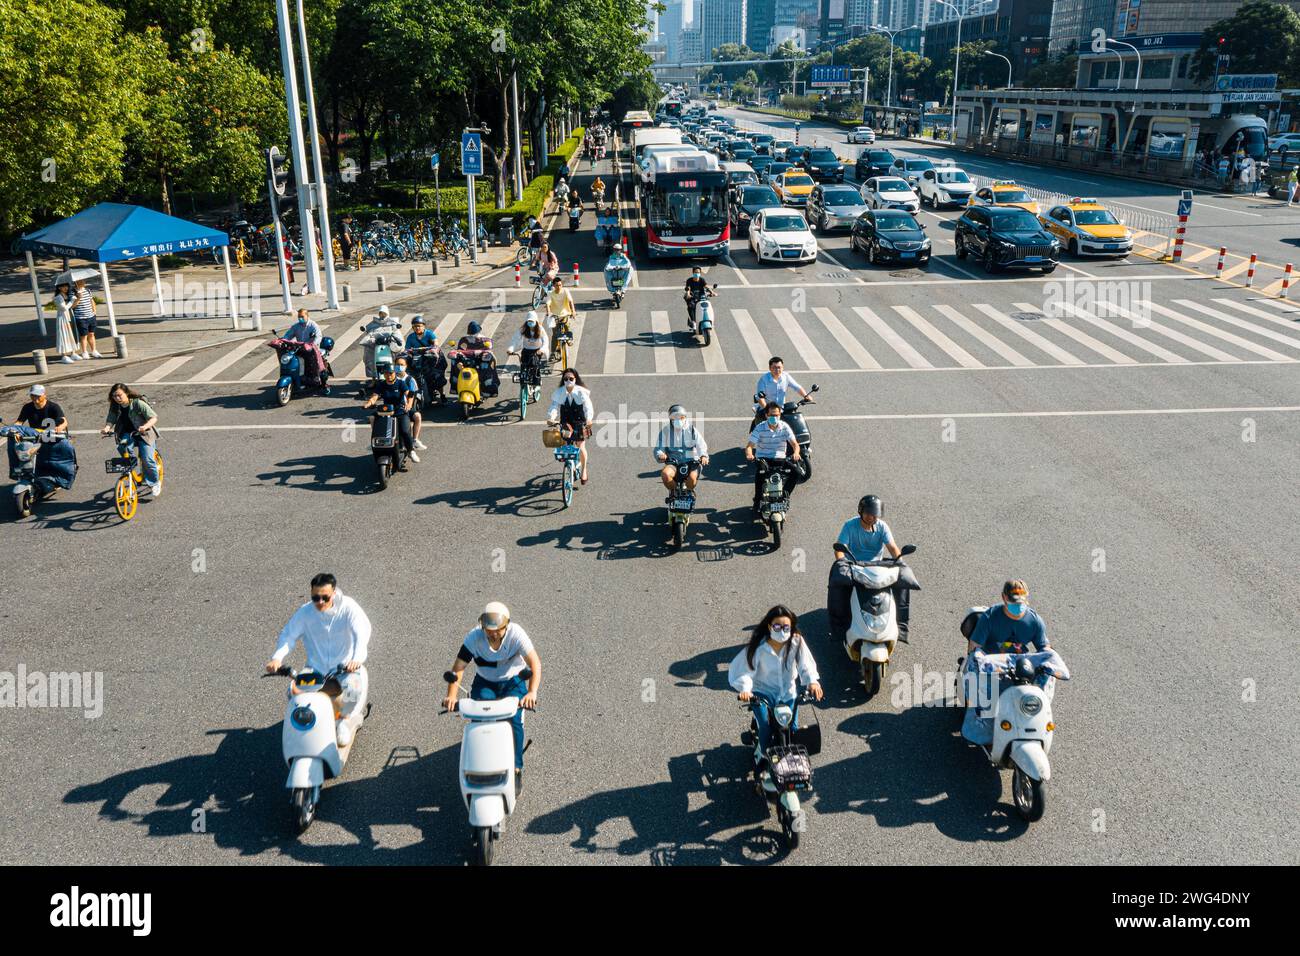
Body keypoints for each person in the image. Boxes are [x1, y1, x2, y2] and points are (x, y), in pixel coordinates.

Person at [442, 602, 541, 794]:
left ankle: (516, 767)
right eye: (488, 630)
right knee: (478, 717)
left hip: (514, 680)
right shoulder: (474, 637)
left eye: (497, 630)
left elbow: (535, 663)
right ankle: (479, 763)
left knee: (514, 720)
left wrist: (532, 692)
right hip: (485, 682)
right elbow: (459, 668)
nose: (492, 634)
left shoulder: (517, 634)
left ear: (506, 626)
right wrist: (451, 697)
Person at [266, 573, 372, 748]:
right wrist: (277, 658)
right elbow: (288, 635)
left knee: (354, 688)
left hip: (344, 667)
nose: (320, 602)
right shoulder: (305, 612)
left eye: (325, 597)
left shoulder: (348, 608)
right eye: (315, 597)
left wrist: (356, 659)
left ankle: (344, 721)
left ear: (334, 592)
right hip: (316, 668)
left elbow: (361, 632)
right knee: (292, 692)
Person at [728, 605, 823, 765]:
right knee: (765, 727)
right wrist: (746, 690)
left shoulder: (796, 641)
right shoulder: (759, 647)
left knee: (792, 730)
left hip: (788, 693)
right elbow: (745, 670)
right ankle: (763, 758)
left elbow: (805, 664)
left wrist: (813, 682)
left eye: (786, 627)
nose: (782, 631)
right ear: (769, 626)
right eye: (777, 627)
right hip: (762, 694)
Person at [832, 495, 910, 643]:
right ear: (861, 512)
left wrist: (900, 561)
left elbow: (892, 547)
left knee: (902, 584)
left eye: (875, 515)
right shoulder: (849, 525)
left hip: (876, 568)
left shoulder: (882, 526)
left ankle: (900, 624)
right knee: (839, 590)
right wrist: (842, 563)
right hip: (854, 566)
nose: (871, 518)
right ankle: (839, 625)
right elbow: (839, 548)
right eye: (868, 514)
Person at [99, 383, 161, 497]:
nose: (117, 398)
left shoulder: (138, 403)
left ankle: (154, 482)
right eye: (114, 396)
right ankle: (131, 472)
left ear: (126, 393)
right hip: (128, 433)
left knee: (147, 458)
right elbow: (111, 418)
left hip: (144, 433)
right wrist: (107, 428)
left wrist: (145, 426)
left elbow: (153, 417)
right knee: (123, 448)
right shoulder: (115, 406)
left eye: (119, 395)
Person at [967, 580, 1051, 658]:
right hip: (990, 663)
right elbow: (974, 648)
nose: (1017, 605)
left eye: (1020, 602)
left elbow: (1044, 649)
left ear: (1027, 597)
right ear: (1004, 597)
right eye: (1013, 601)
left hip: (1019, 665)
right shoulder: (989, 618)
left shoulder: (1035, 622)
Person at [744, 400, 801, 515]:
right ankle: (758, 500)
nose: (774, 417)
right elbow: (749, 446)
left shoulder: (785, 427)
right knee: (760, 475)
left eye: (776, 415)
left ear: (780, 415)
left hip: (780, 458)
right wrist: (749, 454)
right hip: (763, 458)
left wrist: (796, 453)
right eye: (771, 415)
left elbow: (795, 444)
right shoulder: (760, 428)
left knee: (797, 472)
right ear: (766, 415)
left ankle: (785, 495)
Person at [362, 363, 416, 468]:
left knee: (405, 431)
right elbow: (375, 396)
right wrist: (368, 404)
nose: (388, 375)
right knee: (373, 418)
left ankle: (410, 451)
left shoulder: (401, 383)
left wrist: (409, 404)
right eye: (386, 373)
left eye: (390, 373)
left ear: (394, 373)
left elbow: (408, 394)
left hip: (400, 411)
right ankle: (377, 441)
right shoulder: (382, 384)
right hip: (386, 412)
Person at [546, 368, 594, 483]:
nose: (568, 380)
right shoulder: (560, 392)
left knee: (581, 446)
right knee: (564, 446)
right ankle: (569, 464)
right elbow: (554, 406)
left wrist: (589, 419)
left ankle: (584, 470)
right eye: (566, 378)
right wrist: (551, 417)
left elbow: (588, 406)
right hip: (566, 423)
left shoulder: (581, 392)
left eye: (571, 378)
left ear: (575, 379)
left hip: (579, 423)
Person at [653, 404, 709, 493]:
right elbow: (659, 448)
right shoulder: (665, 431)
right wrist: (660, 454)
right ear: (671, 419)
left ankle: (689, 491)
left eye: (681, 418)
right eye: (675, 418)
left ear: (685, 418)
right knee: (665, 475)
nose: (678, 420)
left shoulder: (692, 430)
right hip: (674, 462)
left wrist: (703, 455)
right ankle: (674, 492)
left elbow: (700, 444)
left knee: (692, 478)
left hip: (691, 461)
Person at [751, 356, 813, 430]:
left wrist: (806, 396)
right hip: (766, 409)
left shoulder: (786, 376)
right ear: (770, 368)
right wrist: (767, 410)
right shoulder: (764, 379)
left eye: (779, 367)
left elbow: (797, 387)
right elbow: (760, 397)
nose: (777, 370)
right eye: (774, 367)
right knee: (764, 430)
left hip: (781, 408)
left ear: (782, 368)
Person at [507, 312, 549, 399]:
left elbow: (546, 341)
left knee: (534, 366)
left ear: (536, 321)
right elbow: (515, 340)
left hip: (537, 351)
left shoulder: (540, 329)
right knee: (523, 367)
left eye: (532, 321)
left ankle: (536, 383)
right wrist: (510, 349)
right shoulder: (523, 329)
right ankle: (523, 386)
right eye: (528, 321)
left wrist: (542, 350)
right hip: (526, 351)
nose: (530, 323)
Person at [360, 304, 402, 384]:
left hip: (389, 345)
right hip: (376, 345)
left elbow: (397, 334)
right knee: (368, 356)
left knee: (399, 356)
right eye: (381, 313)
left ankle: (397, 376)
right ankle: (373, 379)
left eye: (384, 313)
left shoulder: (393, 323)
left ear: (387, 313)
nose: (382, 315)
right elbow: (368, 331)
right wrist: (371, 339)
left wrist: (394, 339)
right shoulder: (373, 323)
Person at [393, 355, 426, 455]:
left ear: (406, 366)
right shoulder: (390, 377)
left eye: (401, 365)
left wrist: (409, 406)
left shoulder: (410, 380)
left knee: (417, 416)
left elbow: (412, 395)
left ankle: (415, 439)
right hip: (392, 408)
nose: (399, 367)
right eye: (397, 364)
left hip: (406, 408)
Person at [71, 279, 102, 359]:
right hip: (80, 318)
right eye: (81, 281)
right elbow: (72, 306)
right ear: (76, 282)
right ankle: (84, 352)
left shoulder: (88, 290)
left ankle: (94, 350)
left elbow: (91, 301)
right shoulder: (72, 292)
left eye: (84, 281)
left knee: (91, 334)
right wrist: (78, 298)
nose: (83, 283)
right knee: (83, 335)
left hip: (91, 316)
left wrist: (94, 311)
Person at [52, 281, 79, 364]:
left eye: (67, 286)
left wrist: (76, 298)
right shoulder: (58, 297)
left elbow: (71, 307)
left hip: (69, 316)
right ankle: (64, 355)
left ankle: (73, 353)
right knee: (63, 335)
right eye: (63, 286)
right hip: (62, 318)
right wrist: (71, 301)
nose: (66, 288)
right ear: (59, 288)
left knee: (71, 334)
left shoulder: (67, 295)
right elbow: (64, 308)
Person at [683, 266, 712, 331]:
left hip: (701, 297)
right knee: (690, 307)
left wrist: (712, 292)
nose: (697, 274)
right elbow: (688, 288)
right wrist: (688, 294)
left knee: (707, 305)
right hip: (692, 297)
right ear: (693, 273)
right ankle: (693, 322)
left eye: (698, 272)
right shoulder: (689, 280)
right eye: (696, 272)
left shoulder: (702, 280)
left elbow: (706, 286)